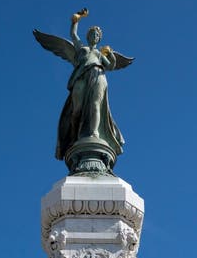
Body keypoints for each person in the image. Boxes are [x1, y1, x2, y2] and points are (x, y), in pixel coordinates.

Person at [33, 11, 132, 164]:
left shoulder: (100, 53)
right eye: (92, 34)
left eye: (96, 35)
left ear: (99, 39)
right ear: (88, 36)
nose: (94, 36)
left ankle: (94, 133)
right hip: (81, 77)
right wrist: (76, 21)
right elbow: (73, 35)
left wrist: (111, 54)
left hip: (98, 75)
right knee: (77, 109)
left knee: (96, 105)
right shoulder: (81, 48)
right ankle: (75, 135)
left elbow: (111, 66)